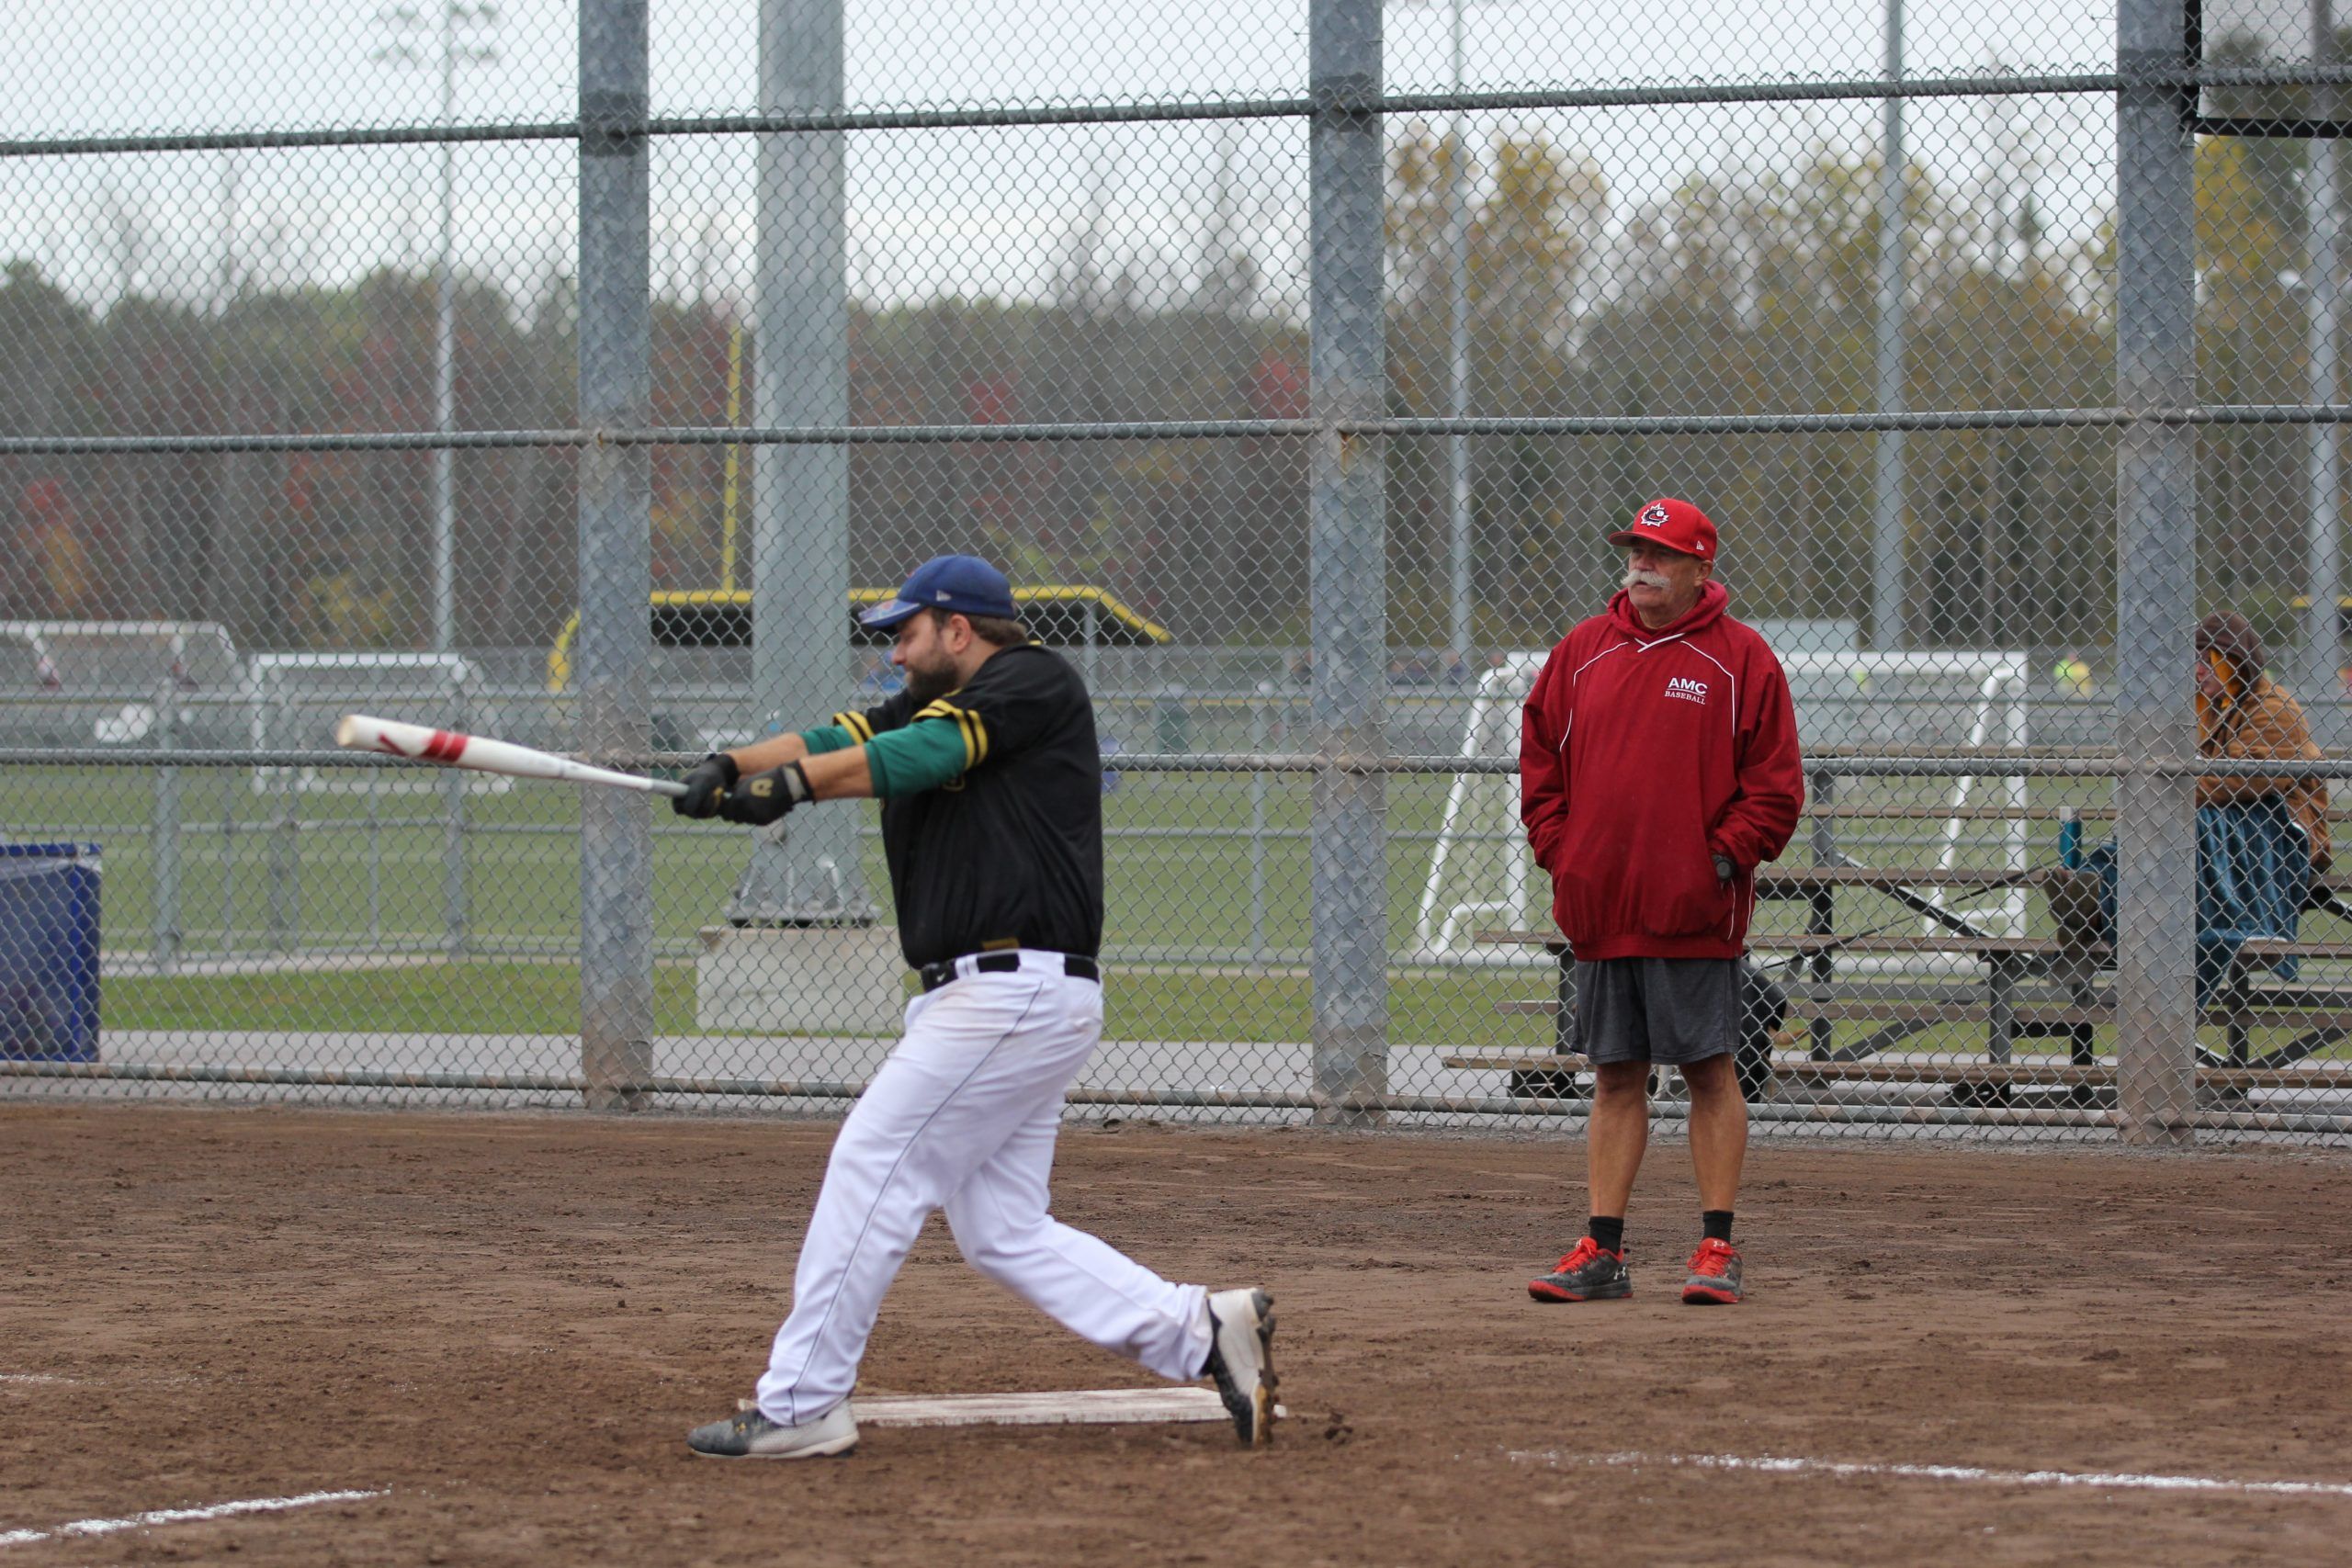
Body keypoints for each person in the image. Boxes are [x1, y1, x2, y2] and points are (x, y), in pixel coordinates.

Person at [669, 554, 1276, 1458]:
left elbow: (918, 756)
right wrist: (733, 768)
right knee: (1001, 1230)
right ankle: (1197, 1330)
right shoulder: (924, 702)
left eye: (906, 635)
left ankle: (800, 1404)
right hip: (997, 1000)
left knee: (874, 1165)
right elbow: (825, 740)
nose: (895, 655)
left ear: (959, 631)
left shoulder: (1030, 681)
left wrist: (793, 791)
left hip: (1011, 993)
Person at [1518, 499, 1804, 1307]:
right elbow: (1539, 759)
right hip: (1603, 908)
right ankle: (1601, 1250)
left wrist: (1716, 858)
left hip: (1694, 911)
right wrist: (1563, 852)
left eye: (1663, 554)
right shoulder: (1581, 651)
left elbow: (1776, 790)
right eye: (1636, 550)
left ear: (1701, 570)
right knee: (1615, 1077)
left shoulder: (1741, 660)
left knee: (1711, 1072)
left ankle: (1716, 1244)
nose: (1641, 565)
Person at [2197, 612, 2331, 879]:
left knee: (2194, 828)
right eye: (2194, 662)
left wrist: (2169, 796)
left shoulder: (2272, 707)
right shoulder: (2211, 705)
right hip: (2229, 825)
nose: (2198, 671)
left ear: (2234, 662)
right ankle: (2101, 886)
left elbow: (2247, 780)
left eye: (2208, 661)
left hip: (2283, 833)